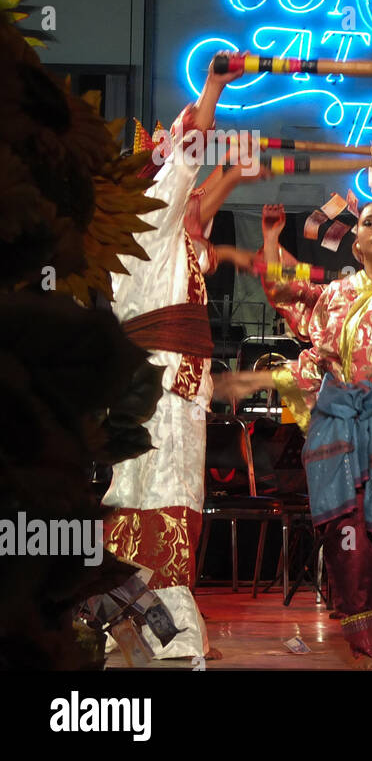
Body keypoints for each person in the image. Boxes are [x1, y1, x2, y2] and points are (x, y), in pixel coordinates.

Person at [215, 151, 372, 666]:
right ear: (355, 237)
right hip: (338, 427)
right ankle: (362, 638)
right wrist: (274, 240)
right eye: (370, 222)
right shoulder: (335, 294)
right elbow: (283, 292)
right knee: (346, 532)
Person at [103, 53, 264, 660]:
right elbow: (185, 177)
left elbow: (199, 203)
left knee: (164, 505)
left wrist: (234, 175)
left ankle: (142, 628)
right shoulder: (145, 228)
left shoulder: (169, 241)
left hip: (172, 392)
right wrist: (212, 89)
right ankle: (158, 633)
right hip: (156, 391)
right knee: (157, 505)